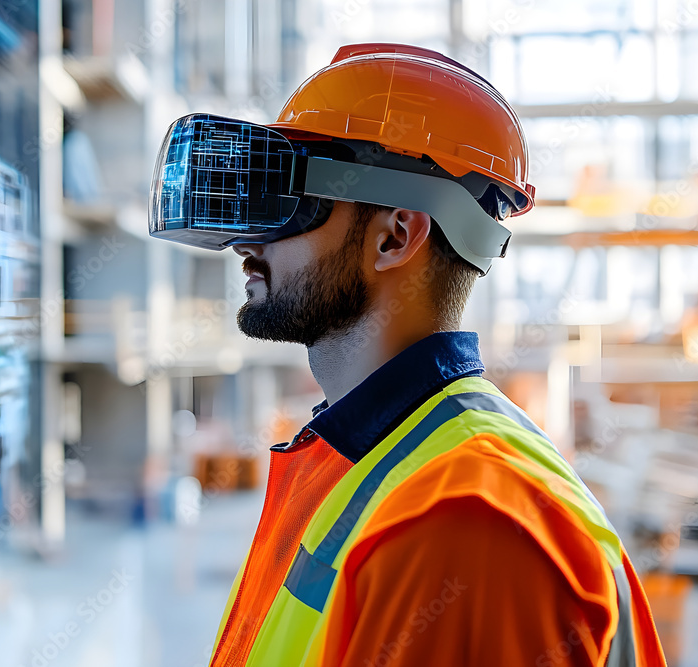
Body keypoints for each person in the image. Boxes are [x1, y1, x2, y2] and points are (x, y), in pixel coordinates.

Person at [149, 43, 666, 667]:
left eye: (289, 203)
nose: (248, 244)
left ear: (395, 236)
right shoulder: (365, 458)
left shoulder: (466, 522)